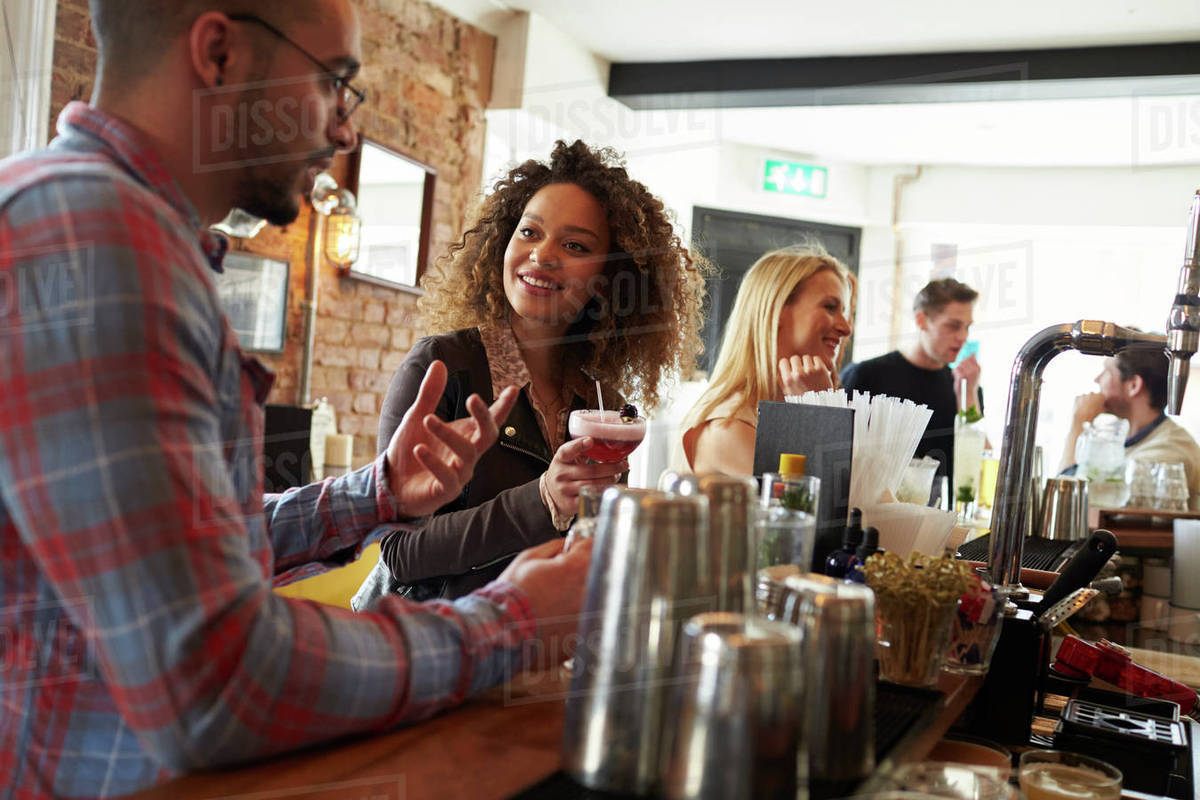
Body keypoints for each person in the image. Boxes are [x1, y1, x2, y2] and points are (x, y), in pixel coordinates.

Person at [0, 2, 592, 796]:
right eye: (335, 82)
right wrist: (519, 622)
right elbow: (217, 678)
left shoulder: (94, 220)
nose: (344, 130)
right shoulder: (103, 247)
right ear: (219, 54)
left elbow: (198, 543)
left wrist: (374, 492)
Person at [354, 140, 709, 604]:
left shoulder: (599, 398)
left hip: (529, 646)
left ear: (606, 278)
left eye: (574, 245)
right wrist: (541, 500)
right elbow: (399, 551)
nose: (542, 255)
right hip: (422, 649)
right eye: (530, 233)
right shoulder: (445, 367)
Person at [680, 245, 854, 475]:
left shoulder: (783, 407)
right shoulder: (727, 426)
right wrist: (820, 411)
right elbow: (816, 506)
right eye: (830, 308)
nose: (846, 328)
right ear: (776, 309)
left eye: (845, 312)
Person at [840, 277, 982, 485]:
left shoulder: (966, 386)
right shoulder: (865, 375)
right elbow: (839, 452)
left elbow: (978, 467)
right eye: (953, 326)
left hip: (945, 514)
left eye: (967, 327)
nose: (962, 337)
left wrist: (969, 393)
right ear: (921, 321)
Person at [1058, 347, 1200, 507]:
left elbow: (1069, 501)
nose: (1097, 379)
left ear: (1133, 385)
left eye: (1107, 372)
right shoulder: (1119, 441)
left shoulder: (1170, 451)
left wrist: (1078, 425)